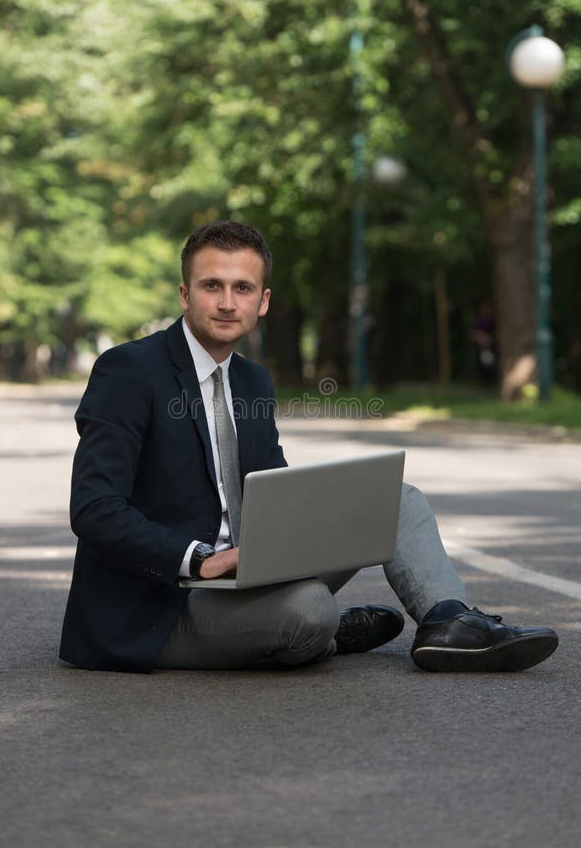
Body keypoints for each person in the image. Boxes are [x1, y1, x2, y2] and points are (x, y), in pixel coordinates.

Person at [59, 221, 558, 674]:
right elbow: (94, 508)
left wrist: (298, 532)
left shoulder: (253, 381)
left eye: (243, 288)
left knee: (395, 501)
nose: (228, 302)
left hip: (247, 571)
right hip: (161, 602)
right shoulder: (128, 371)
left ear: (264, 300)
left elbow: (275, 490)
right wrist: (197, 558)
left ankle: (449, 624)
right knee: (309, 611)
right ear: (185, 295)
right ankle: (325, 633)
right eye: (213, 286)